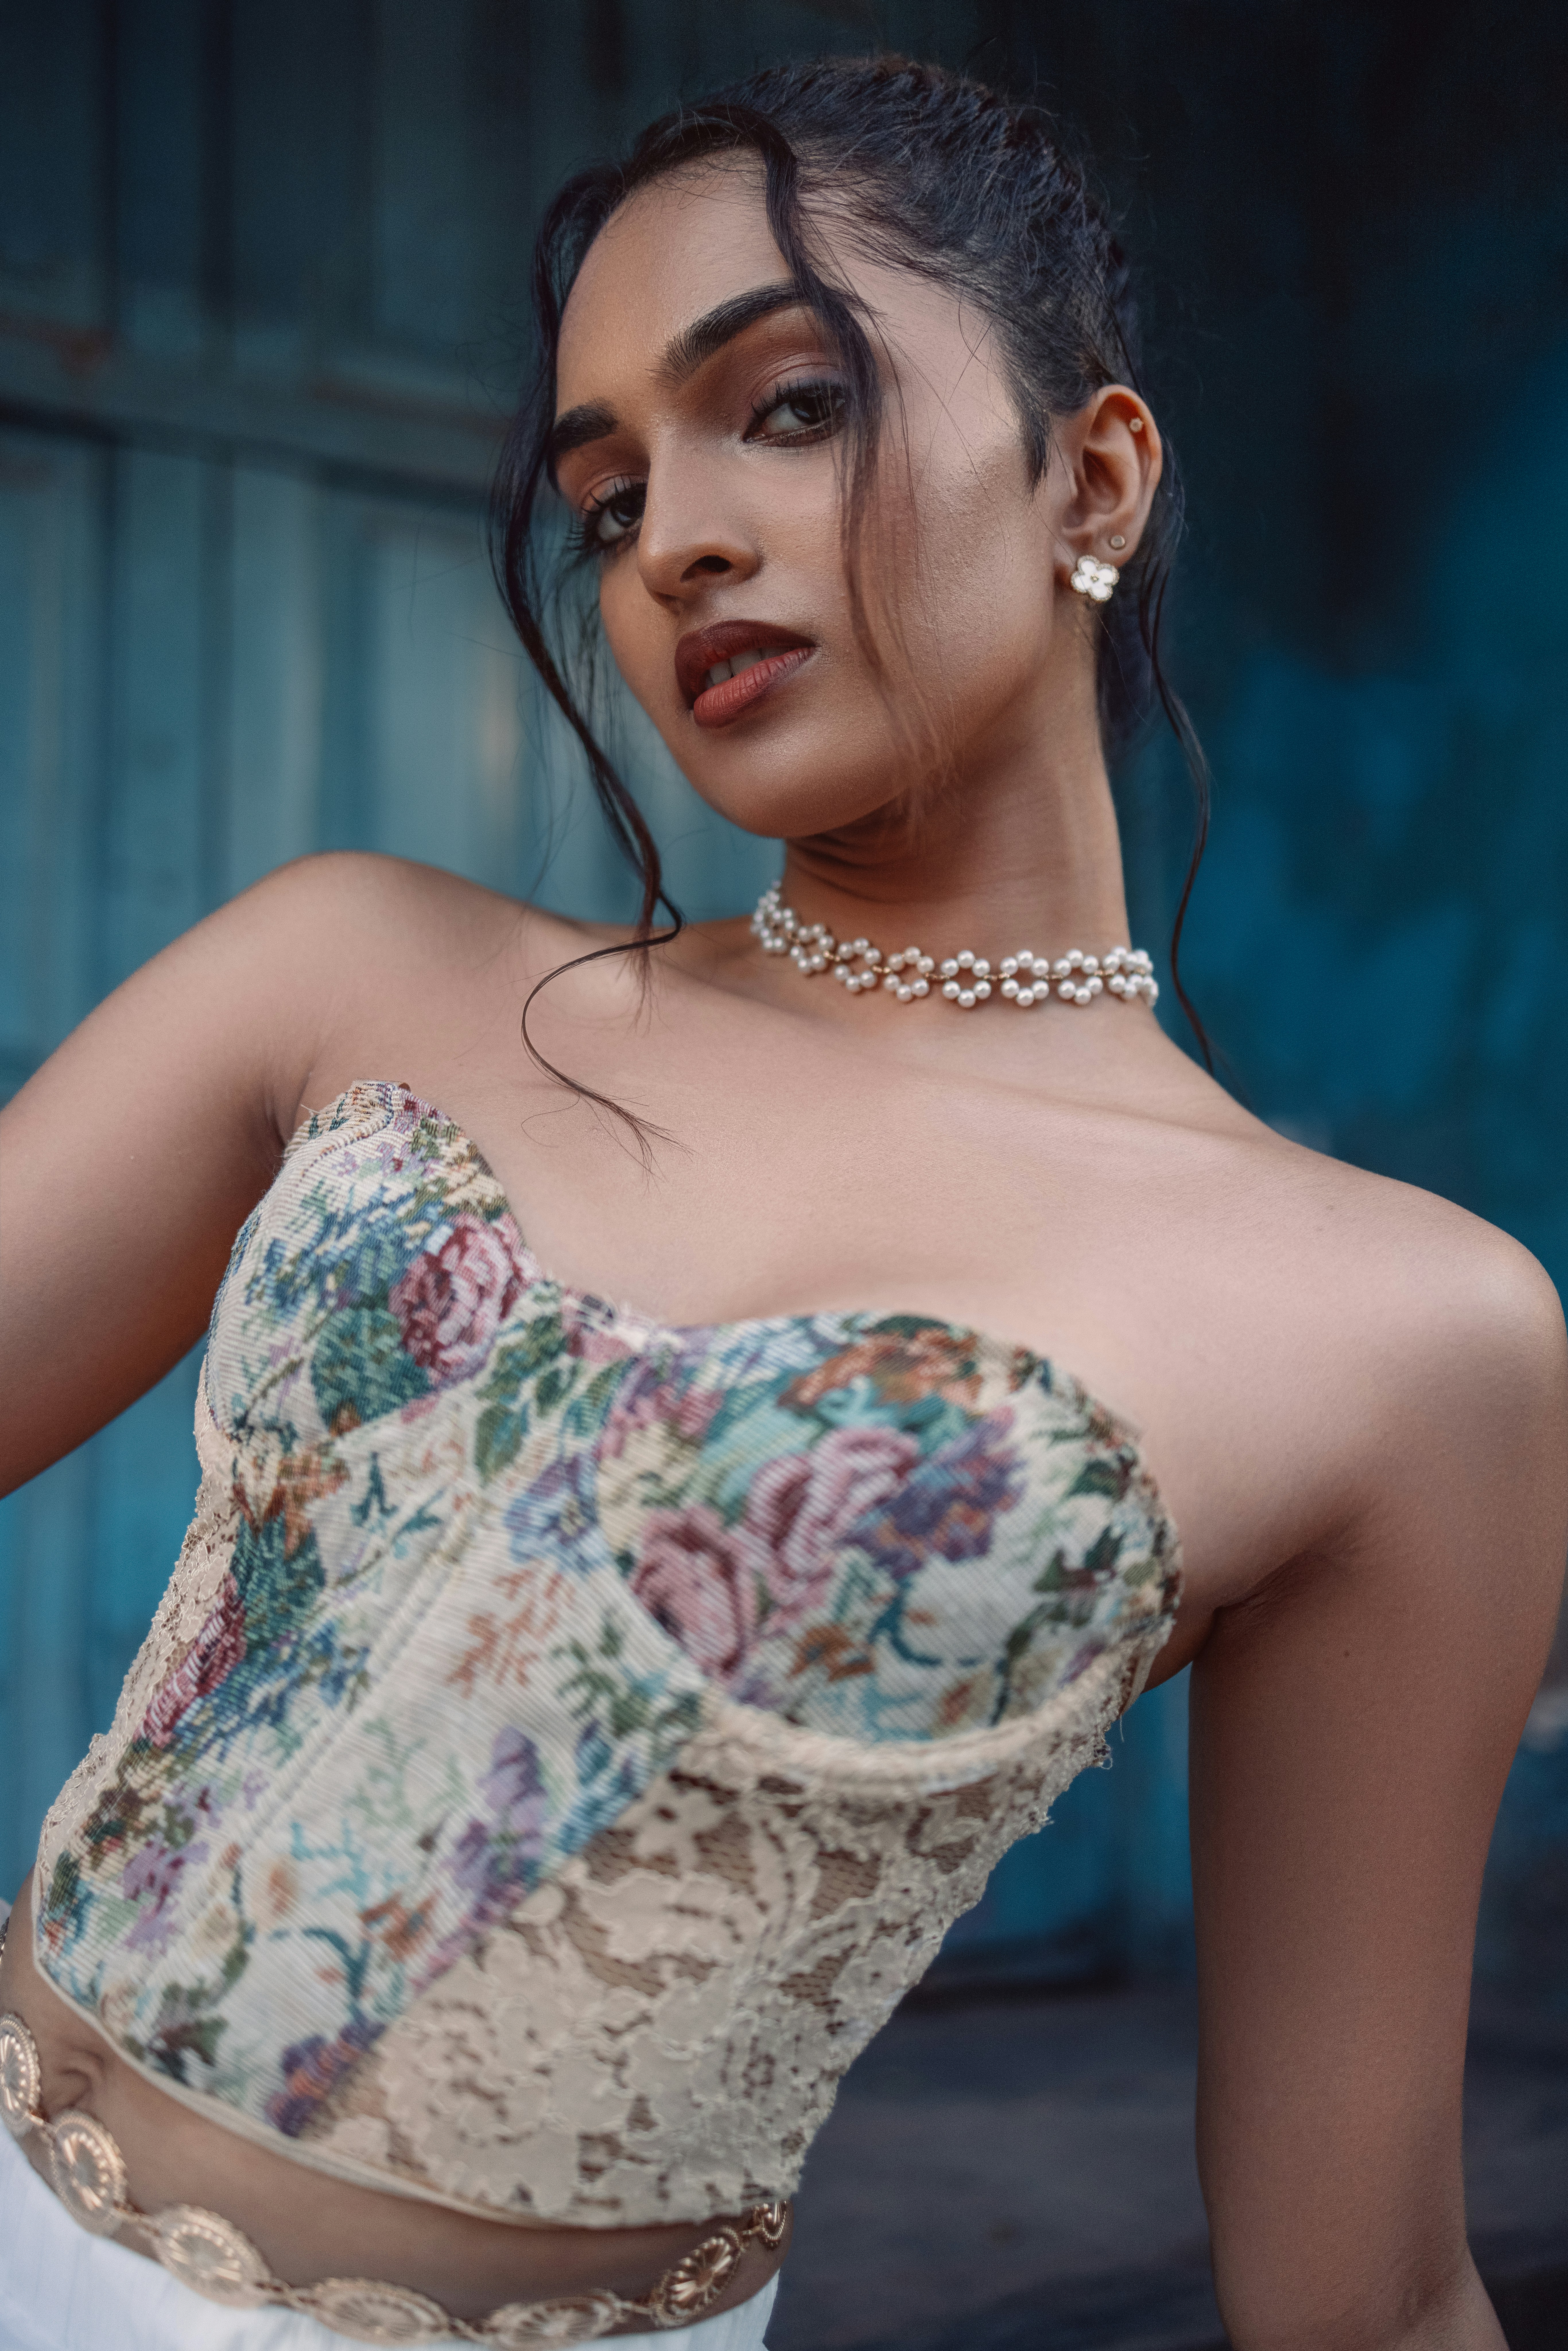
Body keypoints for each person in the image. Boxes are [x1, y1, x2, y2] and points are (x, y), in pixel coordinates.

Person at [1, 53, 1563, 2351]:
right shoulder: (352, 969)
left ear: (1091, 473)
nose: (672, 541)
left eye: (791, 408)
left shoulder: (1399, 1336)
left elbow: (1362, 2296)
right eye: (608, 487)